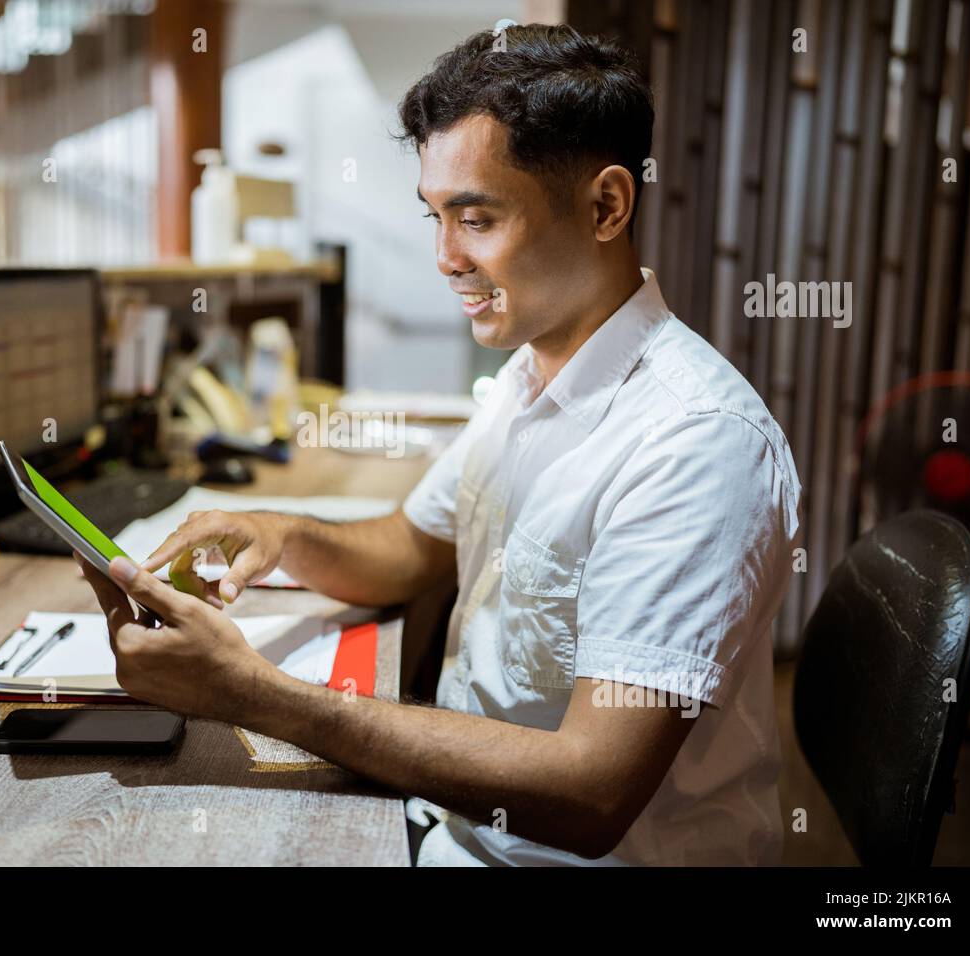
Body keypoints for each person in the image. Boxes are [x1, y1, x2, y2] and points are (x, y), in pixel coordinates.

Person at [76, 22, 801, 866]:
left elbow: (591, 792)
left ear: (607, 206)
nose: (445, 257)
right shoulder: (531, 375)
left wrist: (255, 696)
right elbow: (411, 548)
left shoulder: (694, 445)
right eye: (435, 216)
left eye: (478, 218)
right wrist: (277, 532)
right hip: (450, 823)